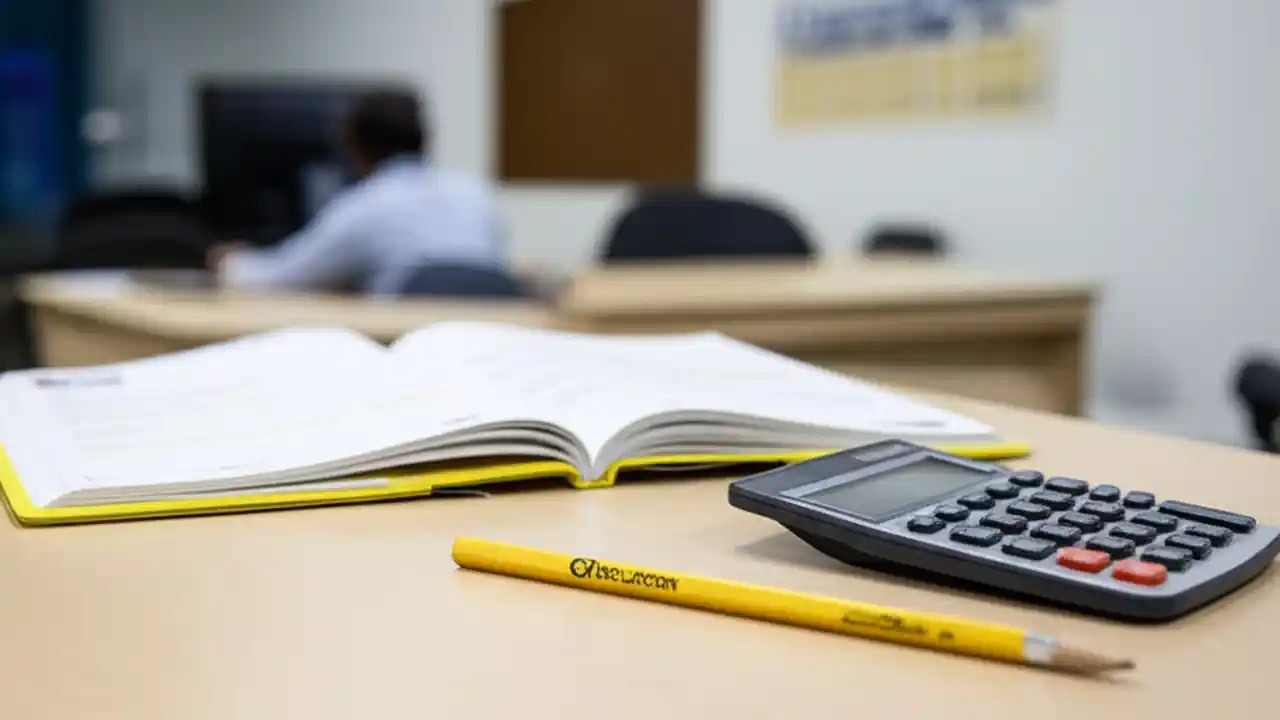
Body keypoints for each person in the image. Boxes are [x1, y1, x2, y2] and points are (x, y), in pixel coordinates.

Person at [209, 90, 506, 294]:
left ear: (355, 148)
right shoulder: (474, 192)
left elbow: (284, 278)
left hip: (407, 349)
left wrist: (231, 264)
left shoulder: (367, 204)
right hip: (488, 354)